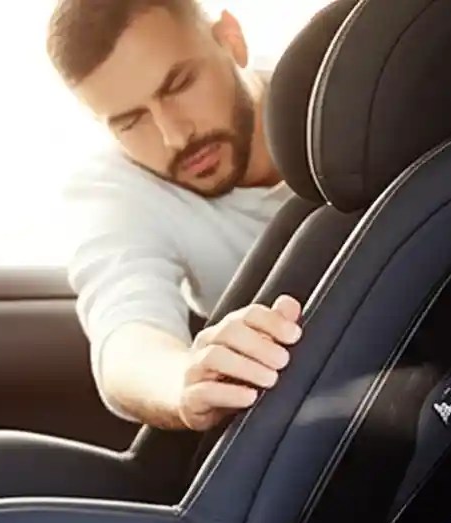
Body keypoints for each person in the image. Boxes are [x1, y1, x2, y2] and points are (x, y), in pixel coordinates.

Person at [49, 0, 304, 433]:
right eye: (131, 121)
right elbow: (127, 335)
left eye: (179, 85)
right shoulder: (117, 189)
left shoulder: (344, 100)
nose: (174, 136)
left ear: (231, 40)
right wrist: (184, 380)